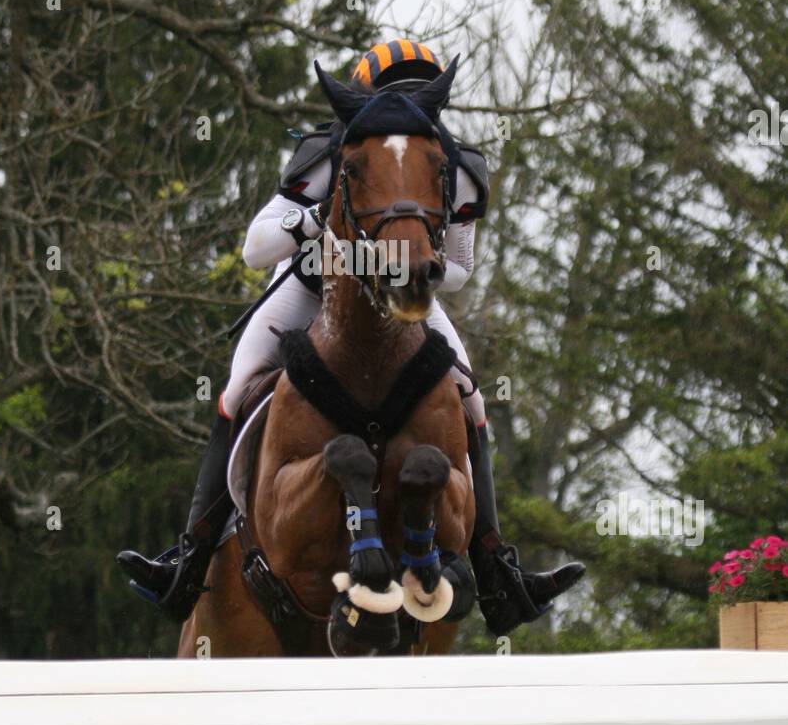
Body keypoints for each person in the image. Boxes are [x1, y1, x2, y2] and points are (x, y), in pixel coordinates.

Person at [118, 40, 584, 633]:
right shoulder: (331, 153)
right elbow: (256, 248)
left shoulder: (452, 166)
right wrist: (318, 222)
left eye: (417, 100)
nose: (403, 113)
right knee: (237, 387)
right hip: (312, 285)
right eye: (393, 98)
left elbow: (461, 268)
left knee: (471, 399)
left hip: (401, 292)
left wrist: (409, 260)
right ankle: (189, 557)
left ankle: (496, 569)